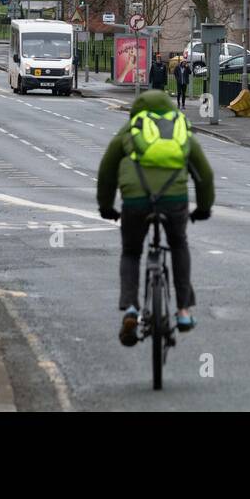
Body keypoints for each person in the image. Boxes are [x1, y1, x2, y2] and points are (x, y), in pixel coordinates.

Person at [97, 89, 215, 344]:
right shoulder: (180, 128)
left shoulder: (131, 129)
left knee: (131, 252)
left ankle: (130, 307)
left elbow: (107, 171)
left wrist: (106, 206)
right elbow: (204, 174)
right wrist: (203, 208)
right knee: (178, 244)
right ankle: (183, 311)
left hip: (136, 201)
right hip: (174, 200)